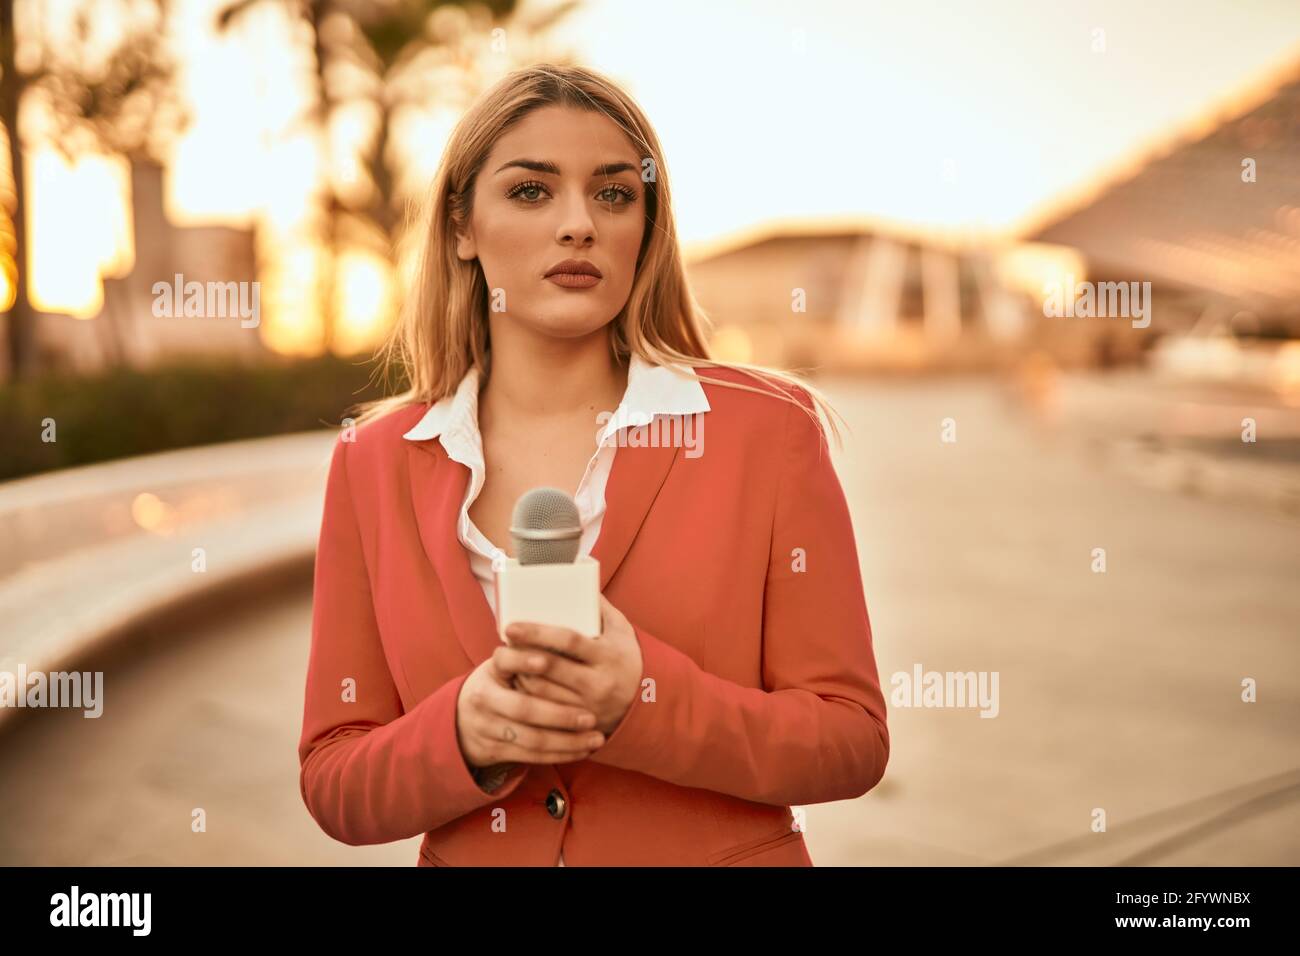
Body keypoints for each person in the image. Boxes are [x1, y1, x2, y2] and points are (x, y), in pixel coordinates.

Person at [298, 63, 889, 866]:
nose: (578, 224)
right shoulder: (372, 462)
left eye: (614, 194)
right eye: (532, 191)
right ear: (461, 228)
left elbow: (850, 740)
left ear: (646, 227)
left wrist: (642, 700)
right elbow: (335, 776)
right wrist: (463, 735)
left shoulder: (768, 432)